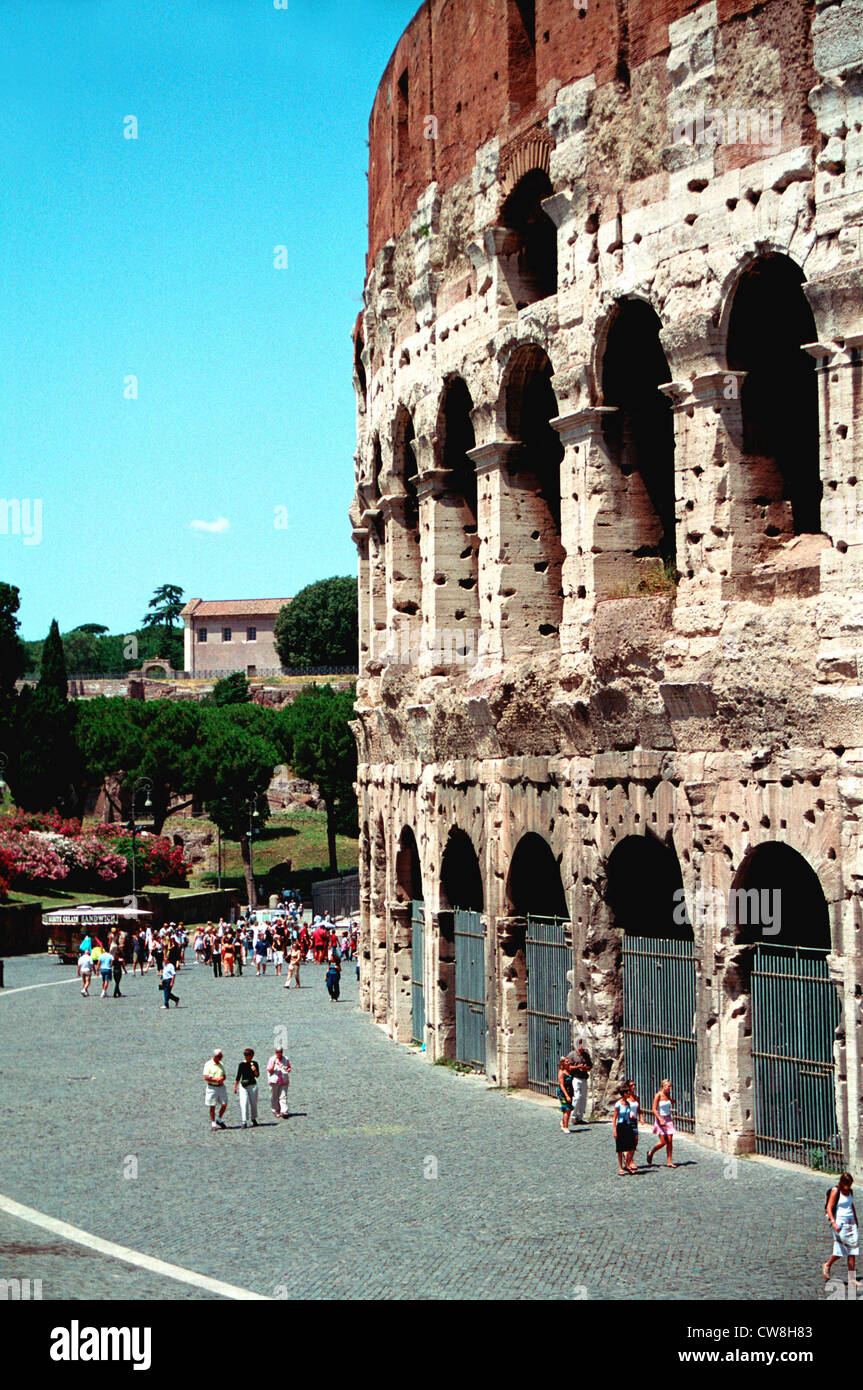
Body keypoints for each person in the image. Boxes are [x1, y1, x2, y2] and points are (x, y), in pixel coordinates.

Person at [824, 1173, 858, 1282]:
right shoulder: (836, 1191)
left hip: (851, 1223)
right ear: (842, 1183)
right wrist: (834, 1223)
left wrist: (855, 1220)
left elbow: (851, 1205)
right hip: (840, 1224)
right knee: (841, 1250)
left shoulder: (850, 1191)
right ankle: (827, 1264)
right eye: (848, 1184)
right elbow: (829, 1208)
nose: (849, 1187)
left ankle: (852, 1279)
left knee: (853, 1251)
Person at [646, 1079, 677, 1167]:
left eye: (670, 1086)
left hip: (668, 1118)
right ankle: (651, 1152)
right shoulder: (658, 1095)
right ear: (663, 1086)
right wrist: (660, 1119)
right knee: (663, 1142)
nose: (670, 1088)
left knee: (670, 1141)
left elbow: (668, 1102)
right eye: (668, 1086)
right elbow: (654, 1109)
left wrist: (672, 1101)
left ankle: (669, 1161)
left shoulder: (668, 1094)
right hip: (661, 1119)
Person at [613, 1081, 639, 1175]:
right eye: (627, 1093)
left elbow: (628, 1114)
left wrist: (631, 1117)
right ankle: (621, 1168)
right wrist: (614, 1130)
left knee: (631, 1146)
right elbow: (615, 1118)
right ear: (624, 1094)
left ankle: (627, 1164)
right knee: (620, 1149)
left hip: (628, 1126)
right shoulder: (618, 1104)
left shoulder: (628, 1104)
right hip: (621, 1126)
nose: (629, 1094)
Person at [565, 1039, 592, 1127]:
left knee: (583, 1098)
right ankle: (573, 1116)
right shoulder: (572, 1055)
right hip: (575, 1078)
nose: (583, 1048)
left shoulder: (586, 1055)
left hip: (584, 1078)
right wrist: (577, 1066)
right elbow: (568, 1067)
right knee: (577, 1097)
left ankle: (580, 1117)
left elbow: (590, 1066)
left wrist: (585, 1068)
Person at [234, 1048, 260, 1128]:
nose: (246, 1056)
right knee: (244, 1103)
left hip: (252, 1085)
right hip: (243, 1086)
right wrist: (235, 1086)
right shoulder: (241, 1064)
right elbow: (238, 1076)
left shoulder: (254, 1064)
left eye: (248, 1054)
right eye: (245, 1054)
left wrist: (254, 1070)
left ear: (252, 1055)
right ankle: (244, 1121)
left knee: (253, 1103)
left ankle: (253, 1118)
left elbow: (257, 1075)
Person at [204, 1049, 228, 1130]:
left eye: (221, 1056)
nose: (221, 1058)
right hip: (212, 1087)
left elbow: (224, 1075)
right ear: (215, 1056)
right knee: (212, 1106)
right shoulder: (208, 1064)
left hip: (221, 1086)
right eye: (219, 1056)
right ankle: (213, 1123)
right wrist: (215, 1080)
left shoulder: (221, 1064)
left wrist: (222, 1078)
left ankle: (219, 1119)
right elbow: (206, 1077)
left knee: (224, 1104)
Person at [266, 1045, 292, 1118]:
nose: (279, 1053)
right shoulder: (272, 1059)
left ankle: (284, 1111)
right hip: (274, 1081)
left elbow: (289, 1067)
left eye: (280, 1052)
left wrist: (288, 1070)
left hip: (284, 1080)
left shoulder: (285, 1059)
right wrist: (274, 1064)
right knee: (274, 1097)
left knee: (283, 1096)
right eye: (277, 1052)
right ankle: (276, 1111)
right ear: (275, 1052)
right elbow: (269, 1070)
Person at [557, 1057, 574, 1133]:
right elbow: (562, 1085)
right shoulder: (561, 1072)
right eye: (567, 1062)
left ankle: (564, 1121)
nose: (569, 1063)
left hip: (570, 1091)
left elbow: (574, 1067)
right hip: (563, 1092)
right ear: (563, 1063)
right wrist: (566, 1095)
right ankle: (565, 1127)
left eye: (568, 1061)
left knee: (569, 1108)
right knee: (567, 1108)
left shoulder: (569, 1070)